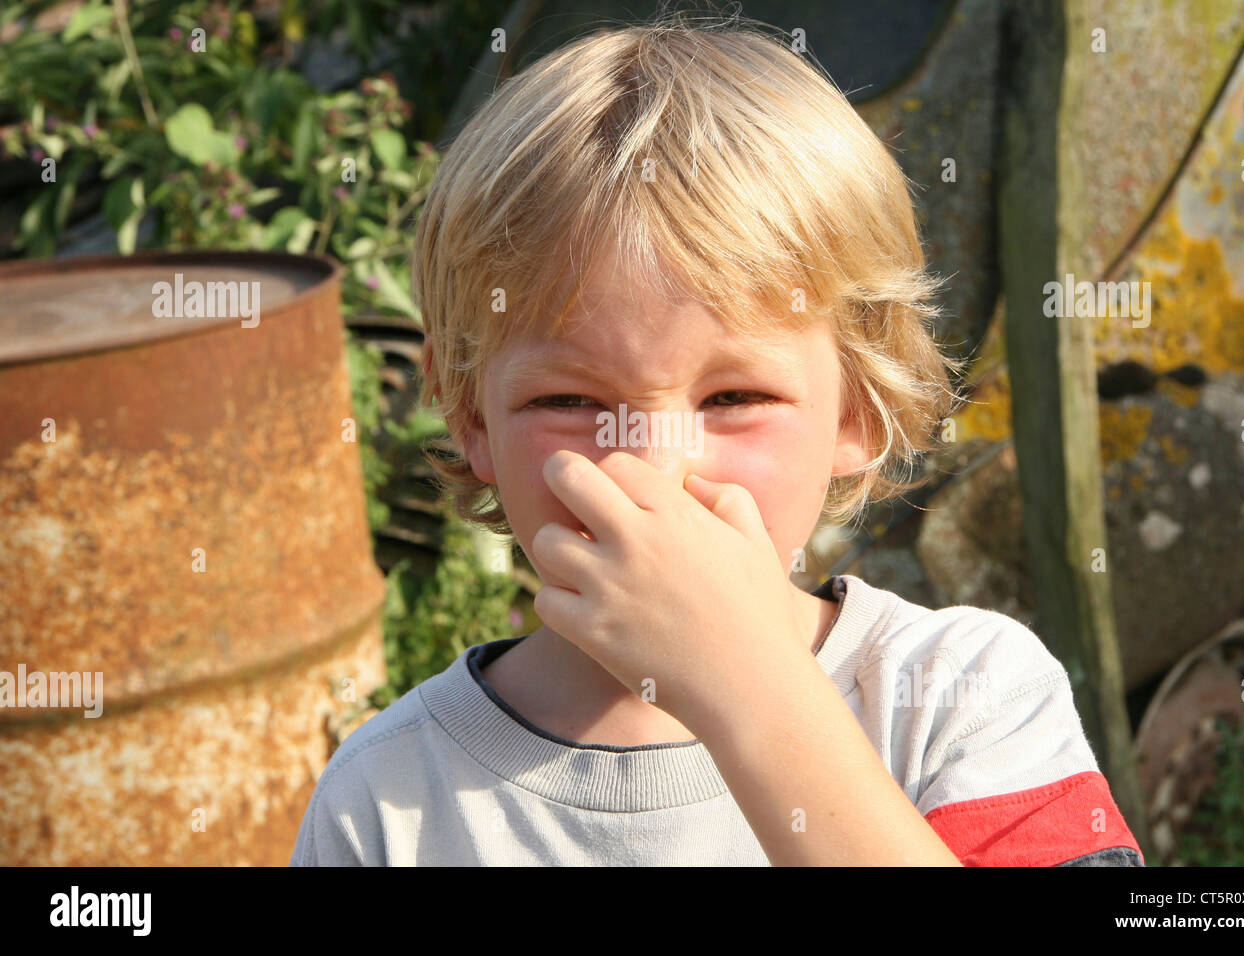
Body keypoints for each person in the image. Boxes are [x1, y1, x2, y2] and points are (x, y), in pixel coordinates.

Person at [291, 14, 1144, 866]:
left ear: (859, 410)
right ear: (471, 416)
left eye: (735, 396)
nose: (653, 466)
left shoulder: (959, 699)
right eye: (569, 399)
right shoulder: (387, 799)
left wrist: (744, 686)